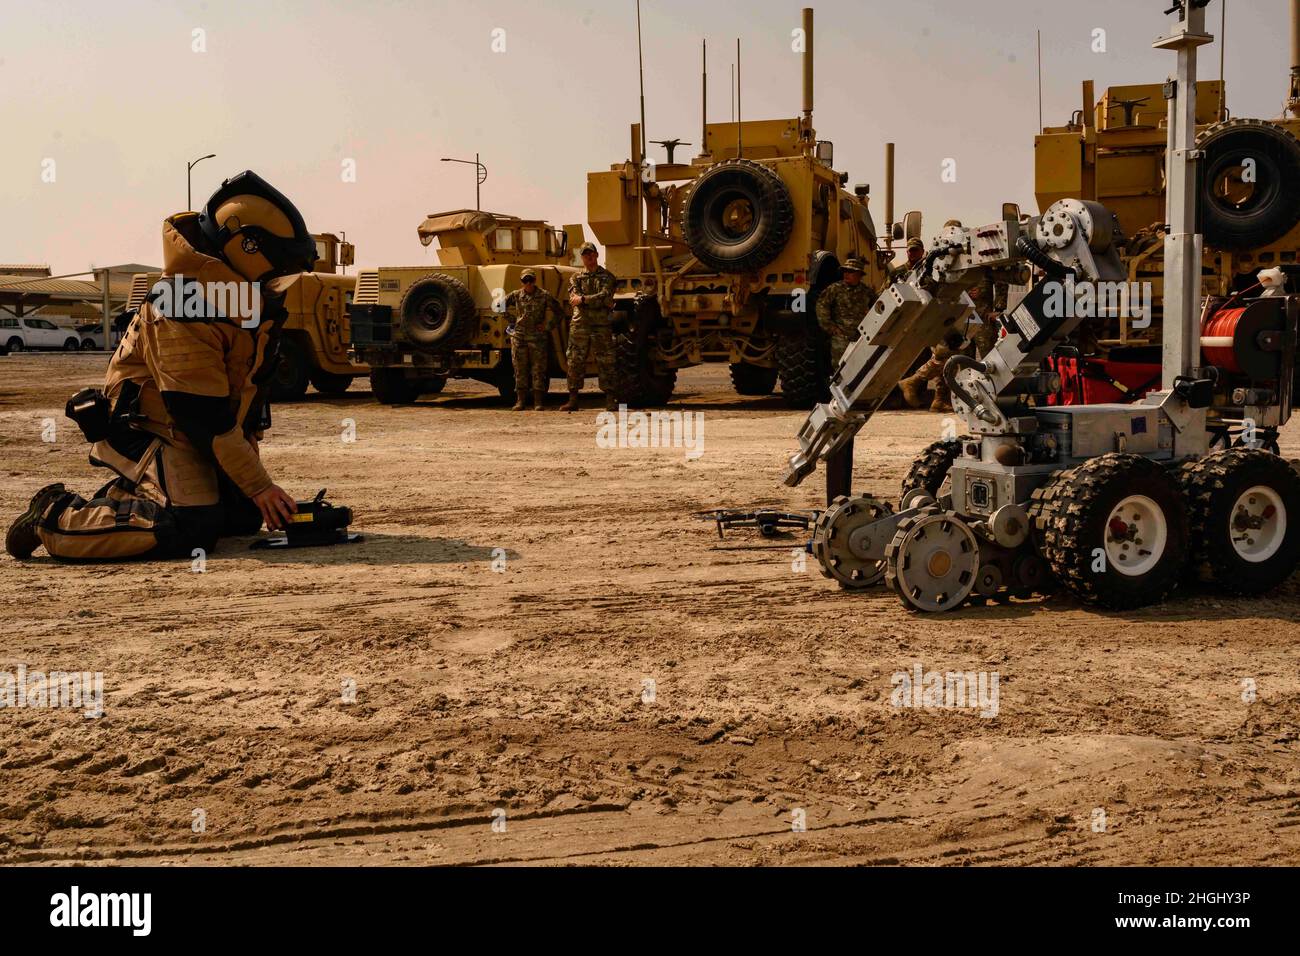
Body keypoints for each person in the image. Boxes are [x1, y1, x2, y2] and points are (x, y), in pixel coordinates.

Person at [5, 171, 316, 562]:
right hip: (146, 427)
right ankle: (52, 514)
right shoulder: (181, 304)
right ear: (244, 252)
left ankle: (137, 495)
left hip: (192, 429)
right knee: (191, 528)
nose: (278, 287)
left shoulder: (247, 308)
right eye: (278, 276)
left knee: (240, 516)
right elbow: (200, 413)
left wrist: (252, 485)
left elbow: (248, 398)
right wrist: (258, 485)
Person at [562, 242, 618, 412]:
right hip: (580, 325)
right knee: (574, 361)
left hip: (601, 325)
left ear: (596, 255)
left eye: (591, 253)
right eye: (585, 254)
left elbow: (605, 295)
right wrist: (592, 300)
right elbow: (574, 297)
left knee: (606, 361)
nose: (589, 257)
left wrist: (584, 300)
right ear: (582, 257)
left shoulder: (608, 277)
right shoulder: (575, 278)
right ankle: (573, 399)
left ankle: (610, 400)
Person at [505, 268, 563, 410]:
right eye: (525, 281)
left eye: (531, 280)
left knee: (538, 370)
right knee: (520, 370)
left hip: (538, 339)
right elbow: (498, 305)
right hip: (519, 338)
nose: (528, 283)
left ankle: (538, 402)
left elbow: (559, 312)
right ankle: (520, 401)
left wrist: (548, 326)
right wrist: (511, 320)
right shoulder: (516, 295)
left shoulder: (544, 295)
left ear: (535, 281)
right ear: (522, 282)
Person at [815, 257, 875, 367]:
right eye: (845, 271)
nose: (846, 274)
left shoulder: (867, 291)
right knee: (840, 368)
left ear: (859, 274)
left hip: (860, 337)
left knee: (860, 367)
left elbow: (877, 309)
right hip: (841, 337)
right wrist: (831, 327)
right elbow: (821, 306)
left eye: (851, 271)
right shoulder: (835, 289)